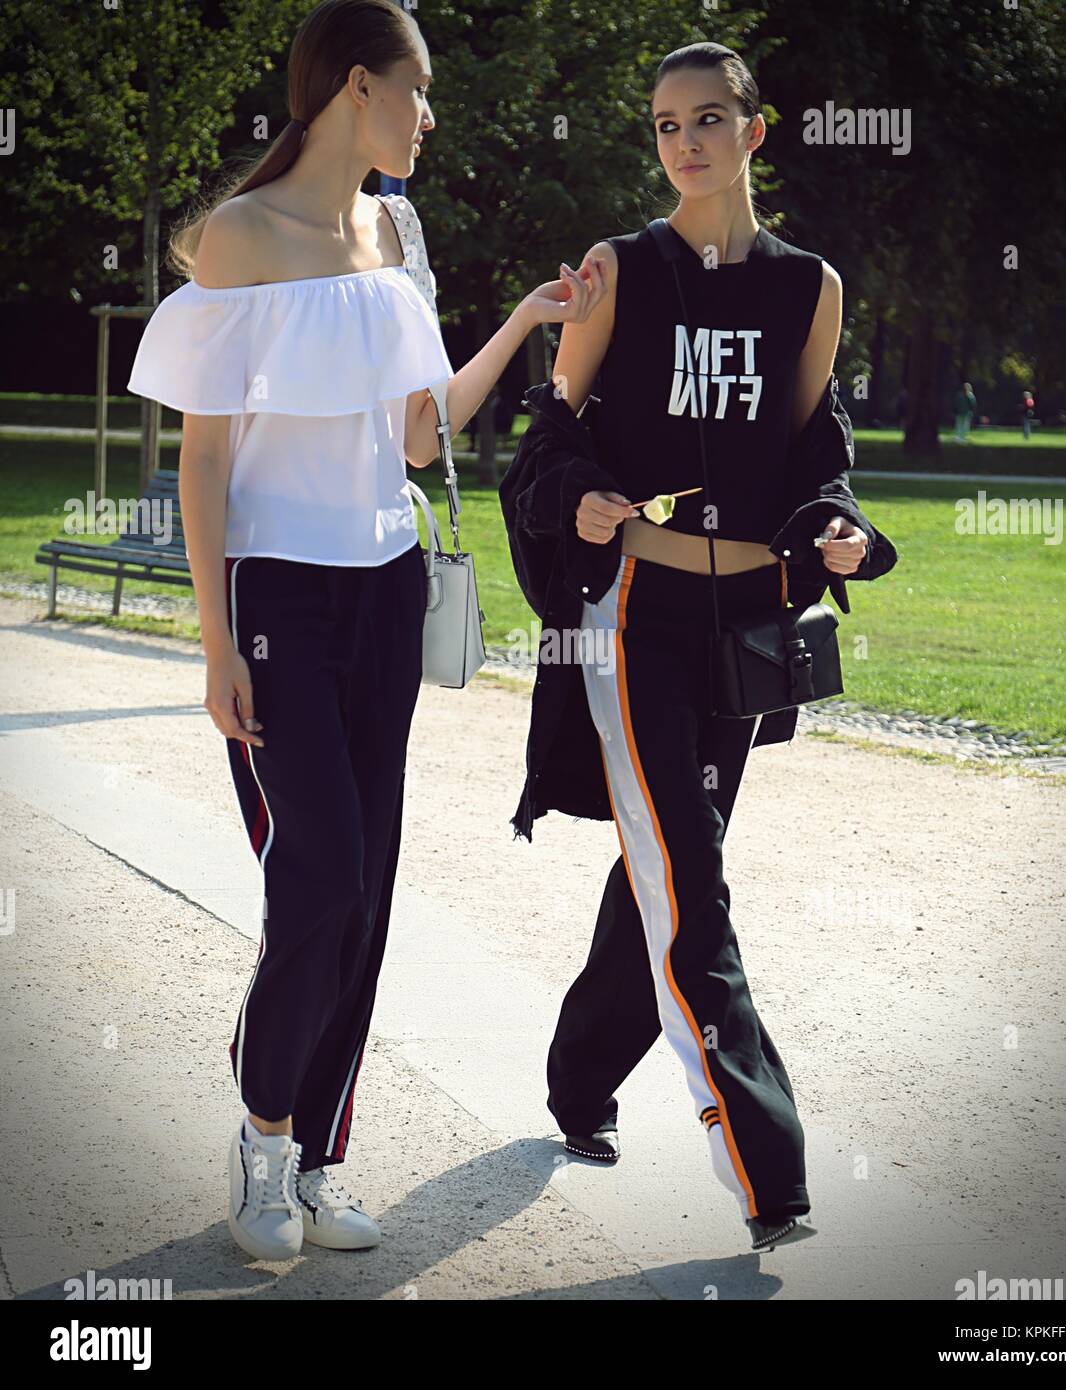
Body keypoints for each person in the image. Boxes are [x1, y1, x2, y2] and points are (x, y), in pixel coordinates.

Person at [127, 0, 606, 1263]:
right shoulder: (237, 240)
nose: (431, 115)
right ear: (355, 89)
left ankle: (321, 1156)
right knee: (319, 878)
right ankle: (265, 1138)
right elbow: (207, 462)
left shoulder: (393, 231)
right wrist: (214, 640)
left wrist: (517, 323)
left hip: (386, 585)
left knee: (371, 883)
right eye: (418, 90)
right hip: (275, 592)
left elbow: (417, 434)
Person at [500, 42, 897, 1255]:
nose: (685, 143)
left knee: (670, 865)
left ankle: (576, 1079)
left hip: (748, 634)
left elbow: (814, 452)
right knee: (690, 876)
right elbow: (545, 438)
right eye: (666, 124)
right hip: (634, 620)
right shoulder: (619, 272)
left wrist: (836, 526)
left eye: (708, 119)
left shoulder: (810, 288)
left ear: (755, 133)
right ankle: (769, 1168)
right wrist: (576, 496)